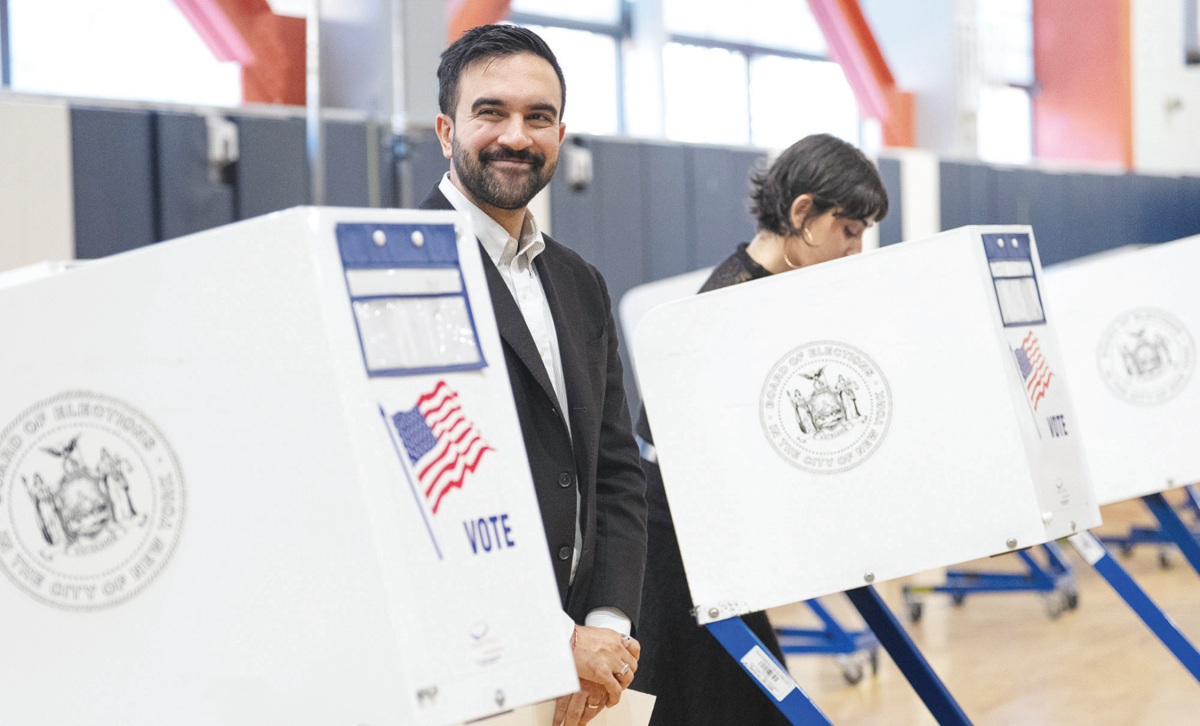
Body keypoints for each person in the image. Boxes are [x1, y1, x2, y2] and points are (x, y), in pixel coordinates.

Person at [417, 25, 648, 726]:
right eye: (491, 112)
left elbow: (613, 468)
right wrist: (556, 642)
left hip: (581, 667)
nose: (516, 136)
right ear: (445, 129)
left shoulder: (578, 281)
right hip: (454, 667)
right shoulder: (399, 271)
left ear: (560, 133)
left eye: (538, 117)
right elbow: (421, 500)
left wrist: (605, 626)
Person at [634, 133, 889, 725]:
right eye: (848, 230)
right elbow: (679, 441)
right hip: (674, 546)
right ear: (802, 214)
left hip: (709, 544)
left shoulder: (776, 293)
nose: (856, 250)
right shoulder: (730, 302)